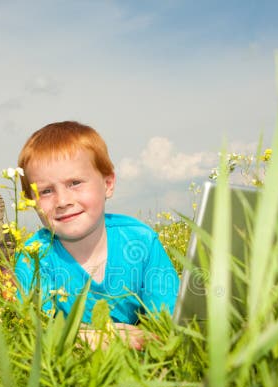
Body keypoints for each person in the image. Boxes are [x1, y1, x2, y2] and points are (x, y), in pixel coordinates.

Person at [13, 121, 180, 349]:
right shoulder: (32, 256)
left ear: (108, 184)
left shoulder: (140, 241)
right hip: (74, 371)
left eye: (75, 183)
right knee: (9, 297)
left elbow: (170, 322)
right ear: (31, 201)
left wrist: (149, 339)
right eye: (46, 191)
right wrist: (91, 337)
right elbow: (34, 330)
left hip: (133, 366)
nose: (63, 201)